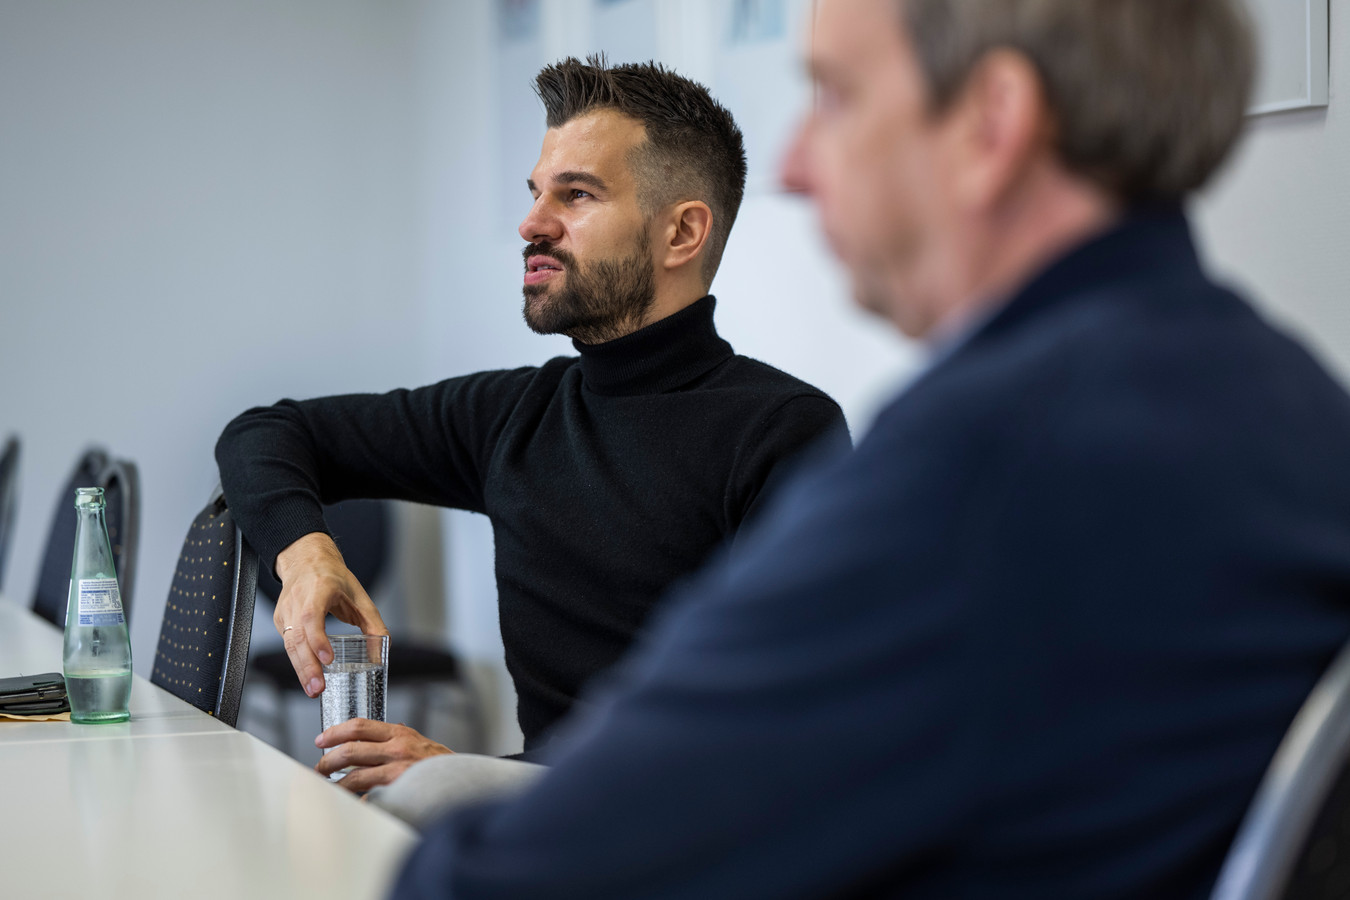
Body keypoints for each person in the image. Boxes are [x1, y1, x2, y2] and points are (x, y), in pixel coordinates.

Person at [389, 0, 1350, 896]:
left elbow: (540, 876)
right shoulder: (1299, 404)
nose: (800, 165)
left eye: (835, 97)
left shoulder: (984, 464)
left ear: (991, 124)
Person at [215, 57, 849, 795]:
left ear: (682, 232)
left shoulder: (784, 435)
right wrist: (306, 554)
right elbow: (264, 432)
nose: (531, 223)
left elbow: (774, 743)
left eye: (575, 194)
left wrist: (475, 780)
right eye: (536, 192)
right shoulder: (514, 417)